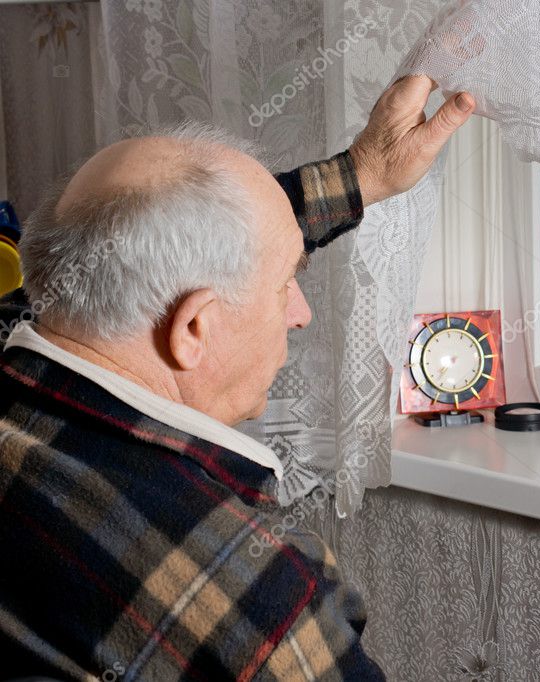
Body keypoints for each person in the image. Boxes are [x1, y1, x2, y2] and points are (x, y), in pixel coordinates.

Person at [0, 75, 475, 680]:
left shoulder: (43, 311)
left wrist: (361, 173)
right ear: (193, 329)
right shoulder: (259, 607)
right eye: (285, 285)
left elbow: (145, 239)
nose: (301, 313)